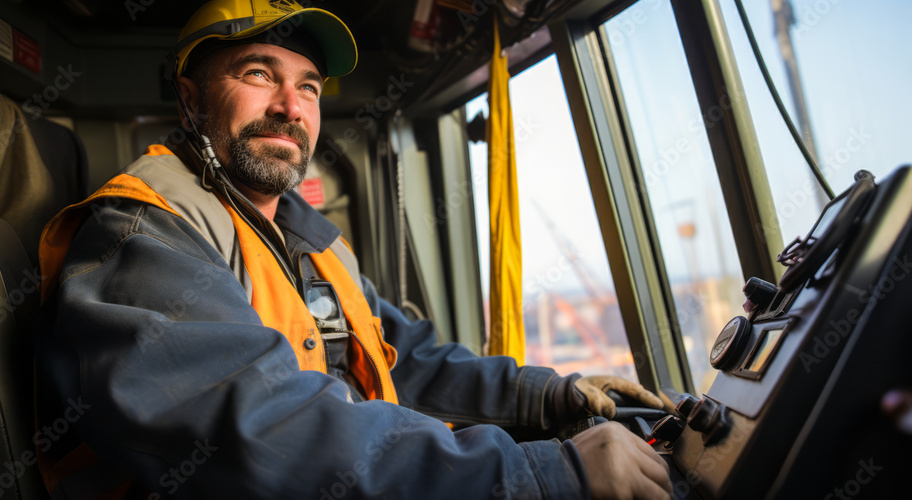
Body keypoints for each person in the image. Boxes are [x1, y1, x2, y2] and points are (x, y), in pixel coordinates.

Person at [35, 1, 674, 498]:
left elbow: (403, 358)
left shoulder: (301, 234)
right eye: (259, 74)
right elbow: (263, 433)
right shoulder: (146, 231)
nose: (290, 107)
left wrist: (544, 395)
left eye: (309, 87)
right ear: (190, 99)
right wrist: (546, 476)